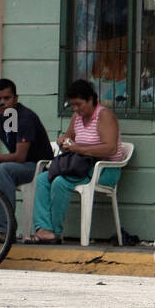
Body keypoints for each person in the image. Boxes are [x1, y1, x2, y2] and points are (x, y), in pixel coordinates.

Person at [24, 79, 124, 244]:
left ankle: (55, 232)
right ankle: (43, 229)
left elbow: (111, 149)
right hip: (80, 166)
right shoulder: (77, 117)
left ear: (91, 99)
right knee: (42, 180)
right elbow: (69, 138)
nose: (76, 109)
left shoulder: (104, 116)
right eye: (73, 105)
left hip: (103, 170)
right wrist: (63, 141)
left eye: (79, 104)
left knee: (60, 182)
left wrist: (80, 149)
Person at [0, 78, 53, 236]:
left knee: (4, 170)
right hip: (17, 166)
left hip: (36, 167)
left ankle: (5, 230)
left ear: (16, 98)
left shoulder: (25, 117)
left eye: (7, 98)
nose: (1, 103)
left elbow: (20, 157)